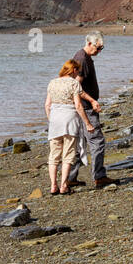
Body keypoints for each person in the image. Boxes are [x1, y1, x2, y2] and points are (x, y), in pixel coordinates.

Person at [66, 31, 110, 189]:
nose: (99, 51)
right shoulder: (83, 59)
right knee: (96, 141)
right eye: (98, 48)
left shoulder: (82, 56)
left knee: (78, 143)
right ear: (90, 43)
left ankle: (71, 178)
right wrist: (91, 101)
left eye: (102, 49)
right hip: (85, 108)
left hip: (79, 108)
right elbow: (75, 86)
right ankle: (99, 176)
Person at [44, 59, 91, 195]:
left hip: (55, 120)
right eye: (78, 71)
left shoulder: (52, 82)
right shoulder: (73, 83)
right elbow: (78, 105)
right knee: (68, 154)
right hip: (69, 119)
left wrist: (51, 119)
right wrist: (87, 123)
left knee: (54, 156)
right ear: (74, 70)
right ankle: (64, 185)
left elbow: (47, 105)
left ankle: (53, 185)